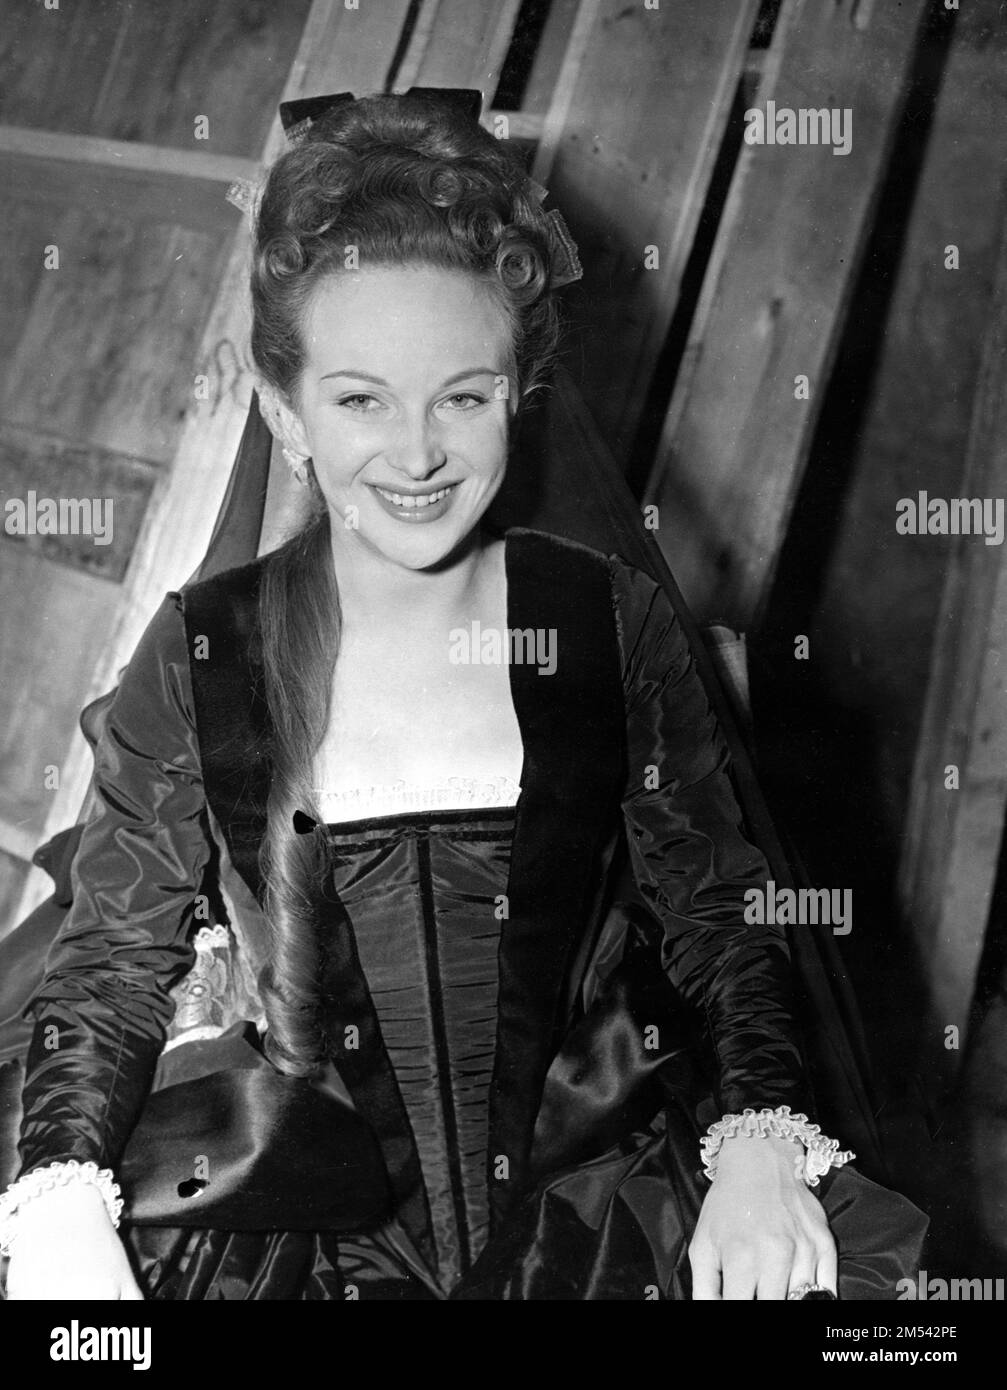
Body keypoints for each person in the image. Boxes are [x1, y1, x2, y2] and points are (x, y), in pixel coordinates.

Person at [0, 90, 924, 1301]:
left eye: (462, 395)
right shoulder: (203, 654)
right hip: (286, 1220)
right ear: (285, 414)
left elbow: (717, 919)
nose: (419, 451)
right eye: (360, 398)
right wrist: (63, 1194)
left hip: (596, 1206)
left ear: (518, 392)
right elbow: (116, 959)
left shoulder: (604, 624)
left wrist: (756, 1148)